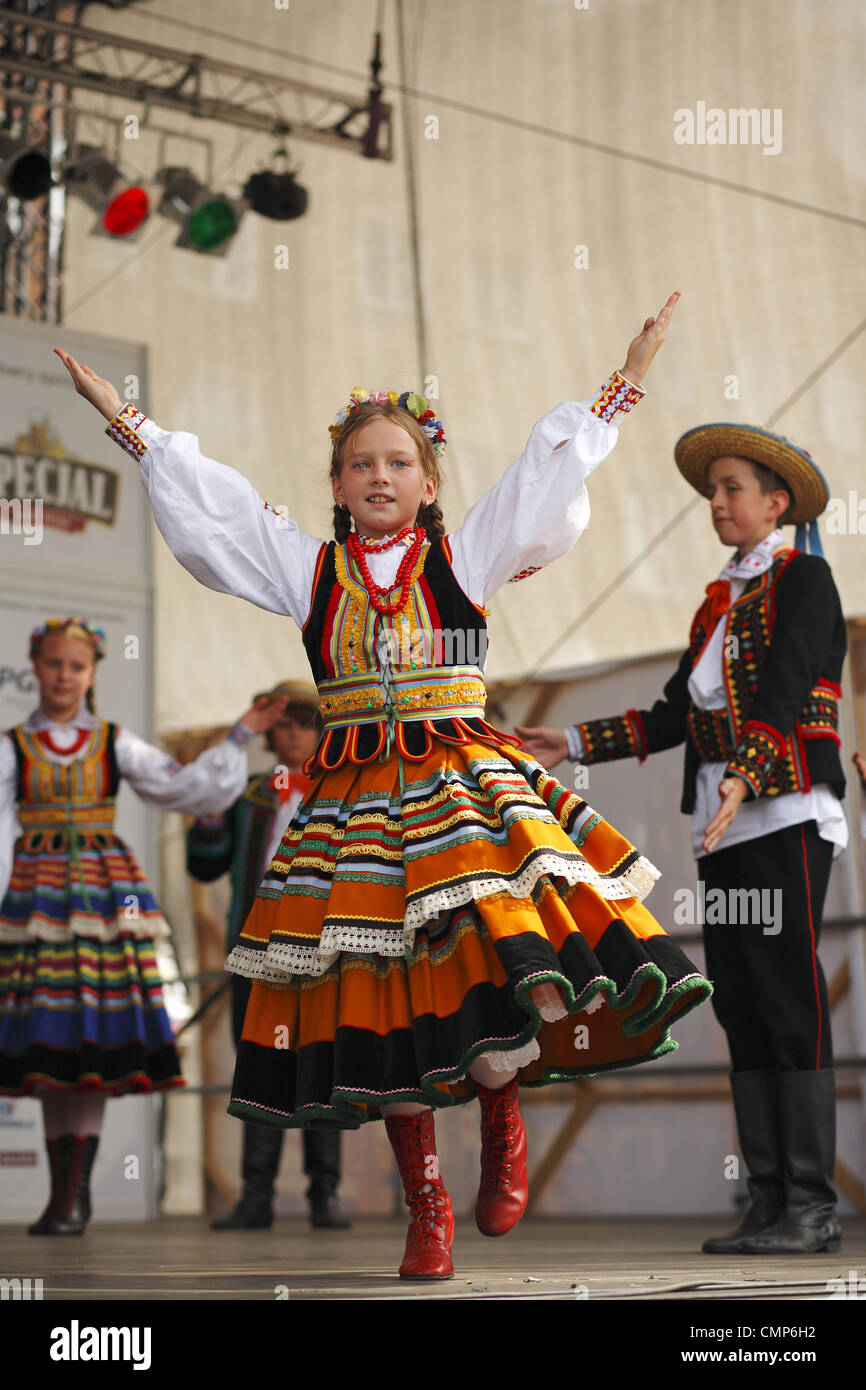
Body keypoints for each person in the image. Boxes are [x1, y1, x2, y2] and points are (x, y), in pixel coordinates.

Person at [55, 293, 712, 1282]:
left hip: (456, 787)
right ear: (336, 481)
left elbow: (545, 479)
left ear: (427, 479)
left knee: (487, 977)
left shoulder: (464, 553)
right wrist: (131, 424)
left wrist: (617, 386)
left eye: (397, 461)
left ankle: (498, 1117)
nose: (378, 475)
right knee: (378, 1002)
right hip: (354, 804)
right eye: (360, 462)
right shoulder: (309, 570)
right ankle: (427, 1206)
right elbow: (218, 508)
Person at [517, 422, 847, 1256]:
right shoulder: (716, 602)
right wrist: (576, 742)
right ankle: (769, 1203)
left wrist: (746, 773)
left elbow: (786, 684)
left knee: (788, 998)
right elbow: (676, 712)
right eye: (714, 490)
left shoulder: (804, 578)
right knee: (740, 1001)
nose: (719, 502)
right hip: (725, 825)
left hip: (785, 809)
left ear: (777, 504)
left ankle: (810, 1205)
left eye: (734, 488)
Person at [0, 617, 287, 1235]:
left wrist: (239, 735)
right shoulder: (12, 746)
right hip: (38, 897)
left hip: (105, 897)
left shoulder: (113, 741)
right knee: (52, 1037)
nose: (64, 677)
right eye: (54, 665)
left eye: (76, 667)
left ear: (91, 674)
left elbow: (181, 788)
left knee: (95, 1036)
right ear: (37, 669)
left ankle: (73, 1197)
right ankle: (65, 1197)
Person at [187, 680, 350, 1230]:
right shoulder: (249, 793)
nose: (293, 733)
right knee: (257, 1064)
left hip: (327, 950)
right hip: (255, 951)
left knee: (326, 1065)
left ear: (324, 727)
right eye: (282, 723)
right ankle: (255, 1198)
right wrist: (208, 815)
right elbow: (206, 865)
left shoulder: (347, 789)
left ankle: (324, 1197)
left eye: (304, 720)